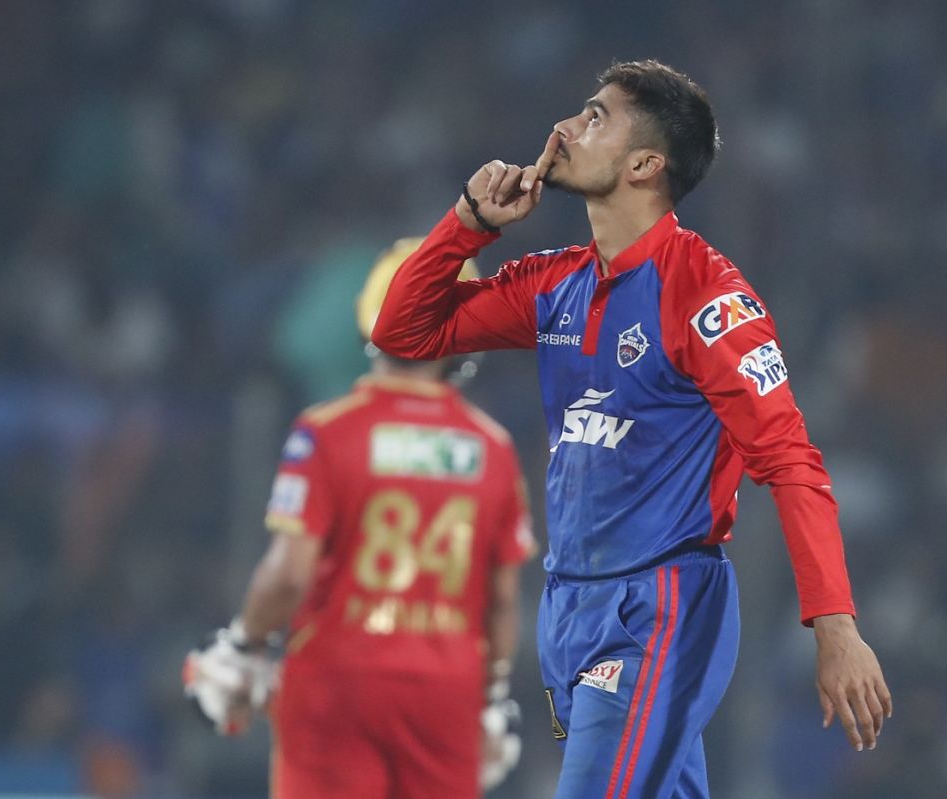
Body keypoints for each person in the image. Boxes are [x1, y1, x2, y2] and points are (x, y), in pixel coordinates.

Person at [371, 59, 892, 799]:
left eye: (594, 118)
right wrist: (467, 225)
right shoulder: (556, 283)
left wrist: (834, 627)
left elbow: (789, 459)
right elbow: (406, 331)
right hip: (567, 607)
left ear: (645, 164)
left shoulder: (709, 298)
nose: (563, 129)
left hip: (660, 606)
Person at [183, 238, 537, 798]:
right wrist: (492, 698)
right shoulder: (492, 449)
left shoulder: (328, 432)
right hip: (446, 691)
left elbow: (289, 574)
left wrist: (244, 643)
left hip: (335, 681)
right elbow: (501, 599)